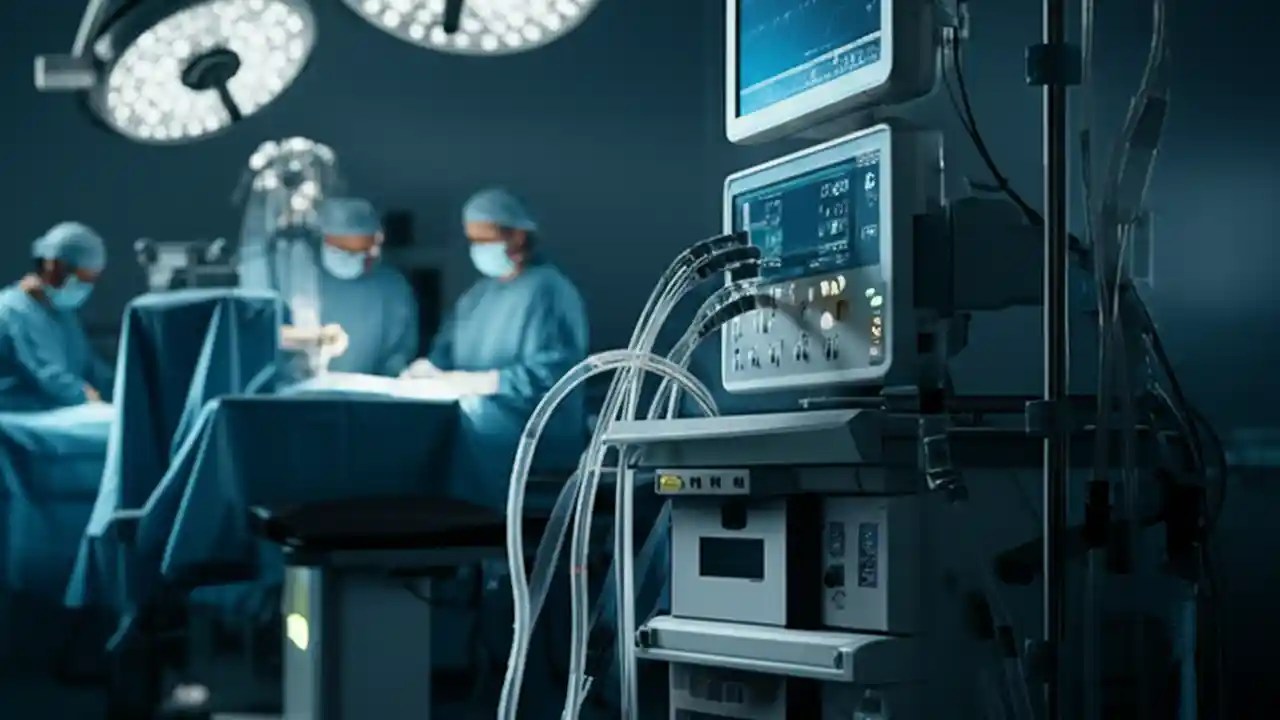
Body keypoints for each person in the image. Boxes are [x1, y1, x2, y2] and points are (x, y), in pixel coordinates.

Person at [404, 188, 589, 504]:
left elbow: (557, 374)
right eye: (472, 241)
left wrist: (485, 382)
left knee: (470, 420)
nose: (477, 250)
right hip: (482, 418)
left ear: (517, 236)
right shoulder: (477, 296)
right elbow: (445, 352)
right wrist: (428, 369)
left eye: (484, 240)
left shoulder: (550, 291)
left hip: (533, 433)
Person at [264, 197, 419, 377]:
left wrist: (394, 378)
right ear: (322, 239)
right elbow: (264, 337)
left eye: (358, 250)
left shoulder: (392, 288)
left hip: (367, 397)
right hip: (299, 393)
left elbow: (398, 355)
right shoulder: (298, 277)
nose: (349, 256)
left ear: (375, 246)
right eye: (340, 248)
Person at [0, 222, 115, 411]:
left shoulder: (62, 314)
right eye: (84, 280)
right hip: (16, 419)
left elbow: (90, 366)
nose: (86, 289)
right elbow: (50, 377)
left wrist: (119, 390)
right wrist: (89, 398)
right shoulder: (12, 311)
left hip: (53, 413)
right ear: (54, 269)